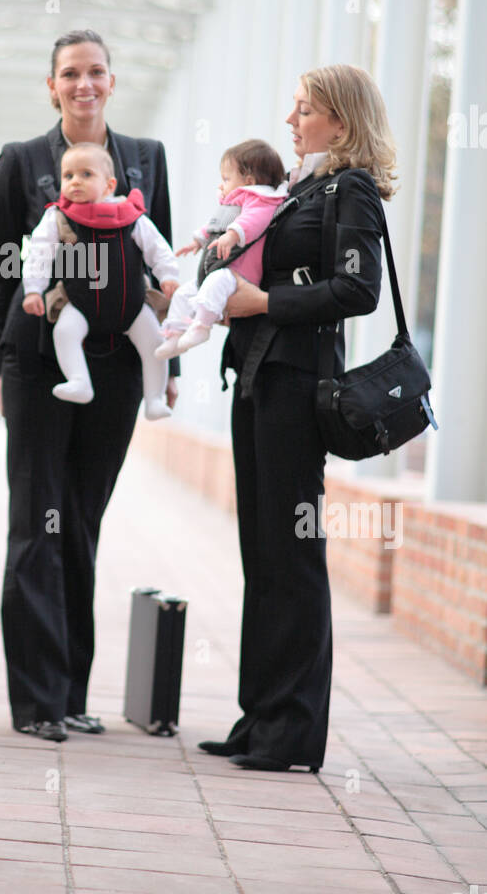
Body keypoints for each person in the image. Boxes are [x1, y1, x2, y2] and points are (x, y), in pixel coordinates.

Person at [197, 64, 396, 773]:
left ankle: (292, 732)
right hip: (257, 380)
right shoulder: (301, 189)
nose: (290, 121)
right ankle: (260, 719)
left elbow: (358, 289)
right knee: (264, 554)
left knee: (292, 556)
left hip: (296, 387)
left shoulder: (352, 189)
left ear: (339, 122)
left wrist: (266, 304)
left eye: (304, 109)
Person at [0, 29, 179, 742]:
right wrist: (1, 366)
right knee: (37, 519)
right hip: (40, 361)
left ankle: (70, 692)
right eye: (70, 73)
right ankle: (36, 702)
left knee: (81, 522)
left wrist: (173, 363)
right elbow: (1, 267)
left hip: (122, 365)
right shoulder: (21, 163)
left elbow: (163, 271)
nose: (84, 83)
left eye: (96, 71)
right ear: (52, 85)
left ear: (112, 79)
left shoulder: (146, 160)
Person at [22, 142, 179, 418]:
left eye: (86, 174)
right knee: (64, 332)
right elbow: (38, 253)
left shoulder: (131, 217)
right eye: (68, 176)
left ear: (109, 185)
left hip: (131, 306)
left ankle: (154, 400)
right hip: (80, 304)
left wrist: (168, 277)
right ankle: (80, 382)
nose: (75, 182)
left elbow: (158, 248)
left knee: (155, 342)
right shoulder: (58, 216)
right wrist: (33, 290)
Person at [156, 139, 287, 359]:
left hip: (238, 274)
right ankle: (174, 335)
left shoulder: (261, 200)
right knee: (183, 294)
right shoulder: (233, 203)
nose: (221, 185)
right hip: (218, 267)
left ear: (249, 180)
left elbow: (254, 221)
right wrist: (198, 240)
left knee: (213, 286)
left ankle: (201, 327)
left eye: (226, 179)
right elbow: (215, 225)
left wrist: (233, 235)